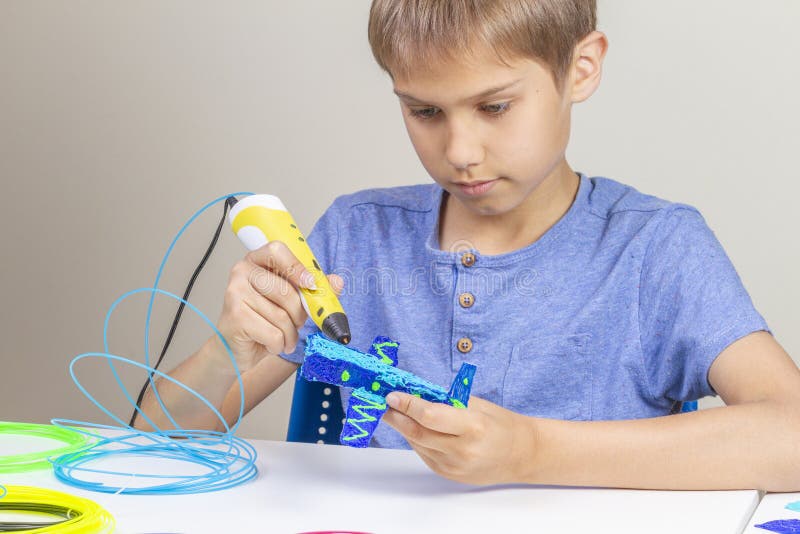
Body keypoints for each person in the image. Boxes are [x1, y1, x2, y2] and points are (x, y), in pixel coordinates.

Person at [136, 0, 800, 491]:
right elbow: (148, 449)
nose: (459, 152)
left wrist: (532, 450)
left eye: (494, 107)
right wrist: (229, 349)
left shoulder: (656, 249)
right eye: (424, 112)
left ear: (582, 67)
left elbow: (791, 438)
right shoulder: (357, 235)